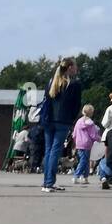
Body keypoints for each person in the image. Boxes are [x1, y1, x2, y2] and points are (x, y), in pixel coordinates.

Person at [40, 57, 81, 192]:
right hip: (62, 121)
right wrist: (72, 119)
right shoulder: (73, 84)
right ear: (69, 68)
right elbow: (76, 106)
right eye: (75, 66)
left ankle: (46, 182)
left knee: (48, 150)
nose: (76, 69)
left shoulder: (52, 82)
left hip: (48, 120)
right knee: (55, 151)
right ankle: (50, 183)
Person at [71, 104, 100, 185]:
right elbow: (93, 135)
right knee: (84, 161)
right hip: (87, 143)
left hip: (79, 143)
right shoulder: (90, 123)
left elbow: (74, 134)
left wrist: (75, 142)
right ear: (91, 113)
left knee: (85, 160)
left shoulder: (78, 121)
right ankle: (76, 176)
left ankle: (85, 177)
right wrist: (99, 139)